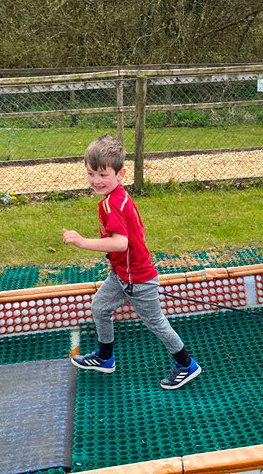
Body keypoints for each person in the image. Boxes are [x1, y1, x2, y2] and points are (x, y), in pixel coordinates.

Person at [62, 134, 202, 390]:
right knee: (100, 307)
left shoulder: (113, 204)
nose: (96, 180)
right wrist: (116, 263)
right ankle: (105, 357)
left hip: (138, 279)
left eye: (103, 175)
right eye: (91, 173)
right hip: (121, 275)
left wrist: (82, 242)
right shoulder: (117, 199)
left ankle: (186, 365)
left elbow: (121, 243)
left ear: (120, 174)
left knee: (156, 322)